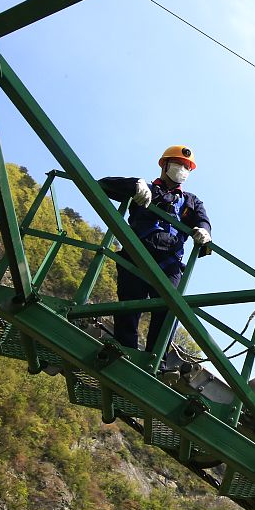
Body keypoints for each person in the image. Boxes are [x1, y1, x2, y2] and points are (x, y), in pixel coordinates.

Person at [98, 145, 211, 354]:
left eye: (187, 167)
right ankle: (124, 351)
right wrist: (133, 185)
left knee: (170, 310)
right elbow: (103, 185)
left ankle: (157, 360)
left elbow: (203, 221)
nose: (183, 169)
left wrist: (204, 232)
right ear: (165, 165)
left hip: (169, 263)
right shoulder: (145, 189)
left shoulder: (191, 201)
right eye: (179, 164)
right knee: (129, 305)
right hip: (137, 254)